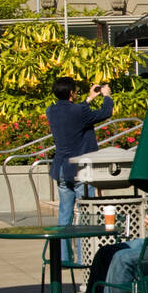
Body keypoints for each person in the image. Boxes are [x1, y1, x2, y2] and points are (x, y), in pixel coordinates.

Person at [46, 78, 113, 263]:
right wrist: (106, 96)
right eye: (75, 91)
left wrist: (89, 99)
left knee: (64, 216)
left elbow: (75, 114)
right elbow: (105, 113)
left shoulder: (51, 110)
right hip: (80, 169)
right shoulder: (79, 110)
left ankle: (64, 258)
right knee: (85, 215)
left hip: (60, 168)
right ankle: (85, 258)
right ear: (71, 93)